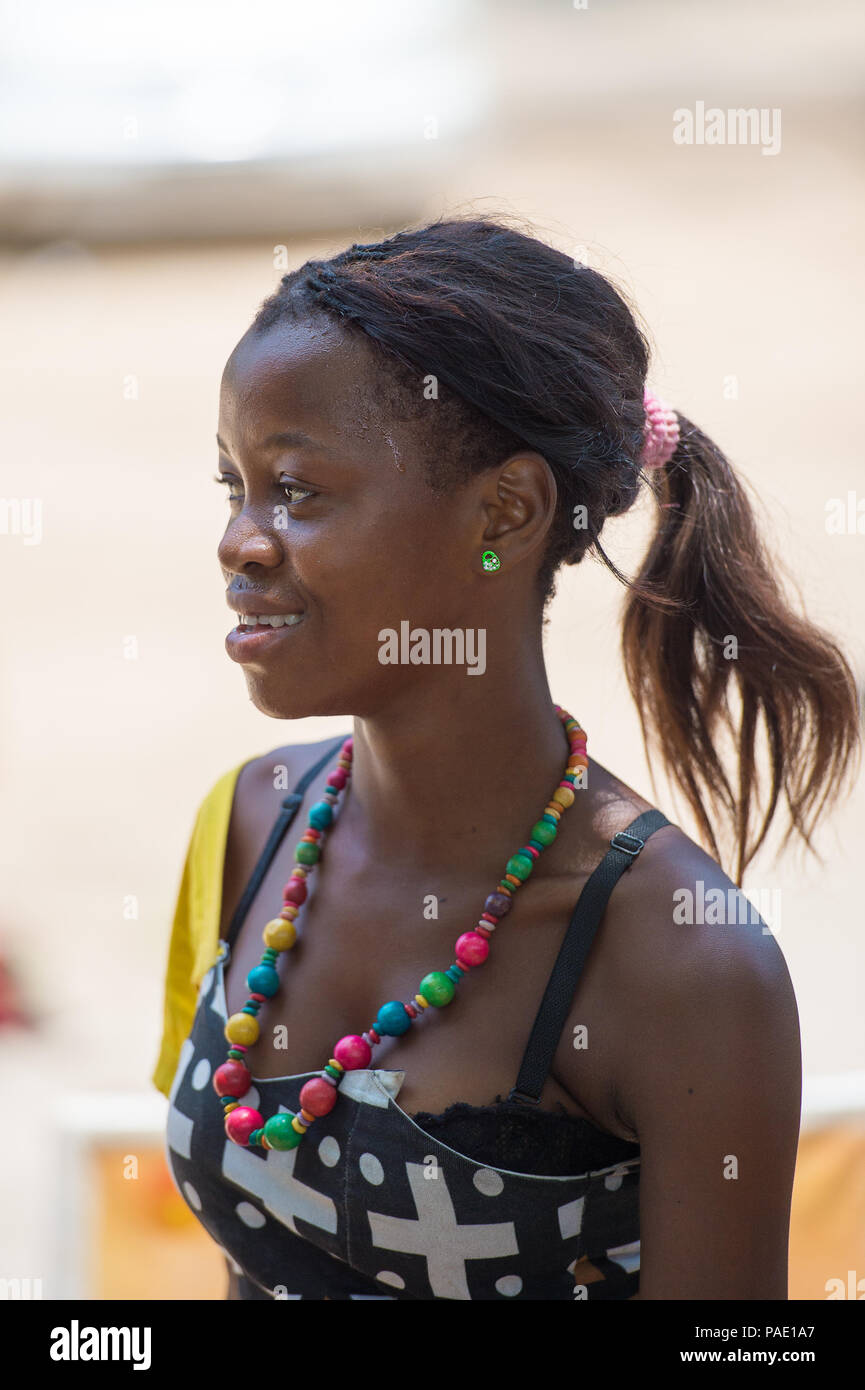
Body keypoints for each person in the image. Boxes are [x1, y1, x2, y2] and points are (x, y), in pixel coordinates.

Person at [152, 216, 860, 1300]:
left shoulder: (682, 963)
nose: (240, 542)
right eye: (232, 487)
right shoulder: (251, 824)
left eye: (295, 491)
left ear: (506, 511)